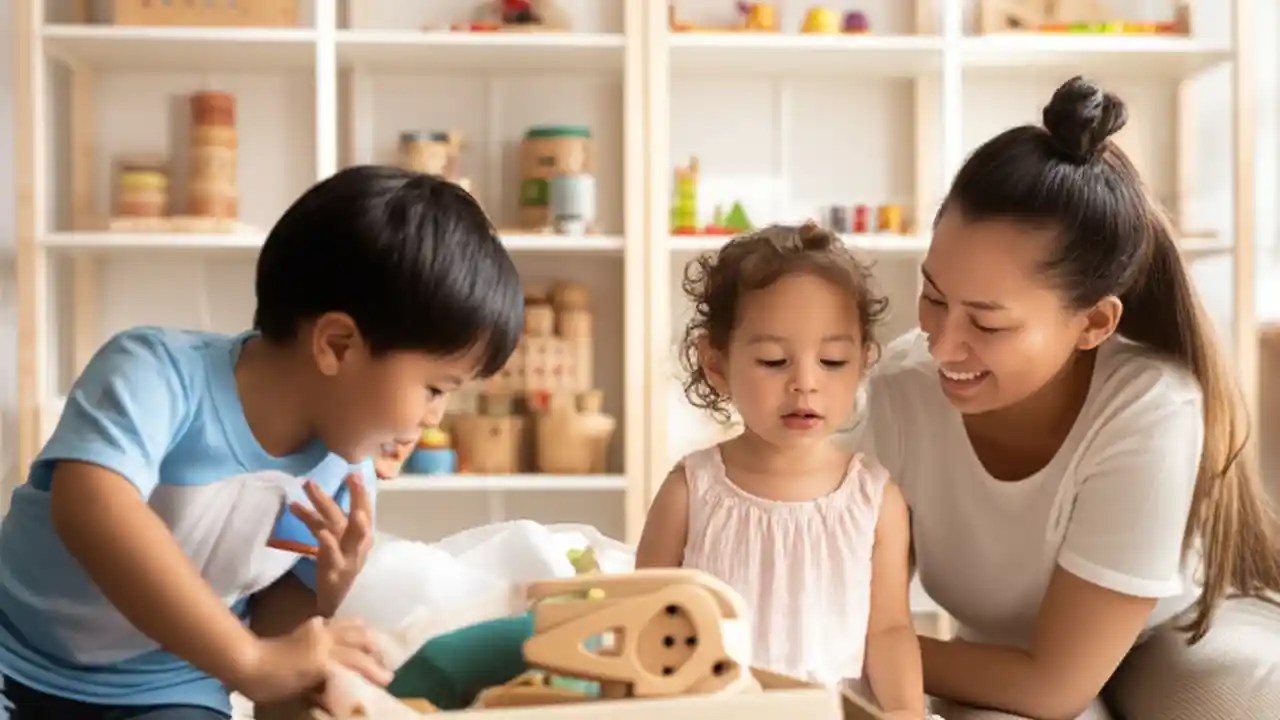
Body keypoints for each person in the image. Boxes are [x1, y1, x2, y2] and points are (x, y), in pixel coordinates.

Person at [0, 167, 525, 719]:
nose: (434, 417)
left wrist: (324, 615)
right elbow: (92, 505)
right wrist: (248, 659)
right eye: (435, 388)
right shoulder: (154, 372)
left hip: (161, 686)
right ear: (339, 345)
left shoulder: (343, 472)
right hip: (12, 647)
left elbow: (278, 645)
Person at [843, 75, 1280, 720]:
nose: (941, 344)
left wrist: (871, 648)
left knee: (1228, 707)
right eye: (934, 297)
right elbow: (856, 600)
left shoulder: (1151, 405)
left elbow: (1053, 686)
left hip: (1179, 635)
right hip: (1005, 656)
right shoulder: (899, 393)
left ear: (1095, 323)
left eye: (988, 324)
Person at [636, 224, 932, 719]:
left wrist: (905, 711)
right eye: (774, 360)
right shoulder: (693, 489)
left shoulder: (874, 499)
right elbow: (645, 615)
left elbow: (888, 629)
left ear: (863, 362)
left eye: (833, 360)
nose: (805, 383)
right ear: (717, 364)